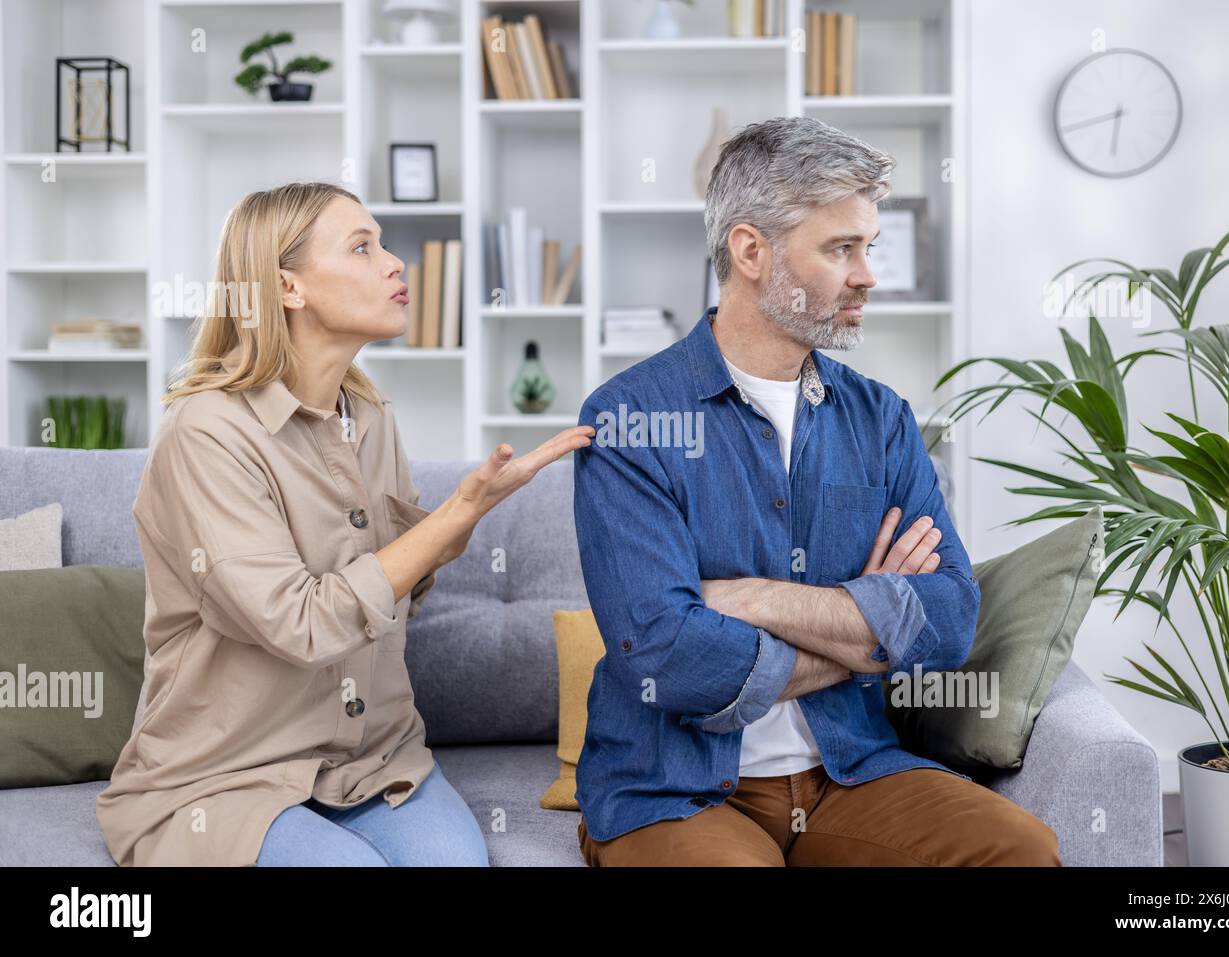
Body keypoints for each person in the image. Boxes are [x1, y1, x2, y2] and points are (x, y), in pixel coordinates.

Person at [571, 117, 1061, 866]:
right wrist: (870, 636)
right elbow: (663, 652)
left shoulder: (883, 418)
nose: (868, 274)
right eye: (842, 248)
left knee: (1020, 848)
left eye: (870, 247)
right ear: (750, 250)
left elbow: (952, 618)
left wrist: (754, 597)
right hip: (676, 788)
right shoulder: (630, 418)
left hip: (851, 770)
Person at [95, 182, 593, 866]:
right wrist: (451, 514)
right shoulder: (205, 434)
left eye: (384, 243)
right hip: (228, 776)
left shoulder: (371, 415)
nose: (395, 264)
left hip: (371, 761)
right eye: (363, 247)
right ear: (288, 288)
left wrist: (452, 533)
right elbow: (300, 625)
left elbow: (397, 599)